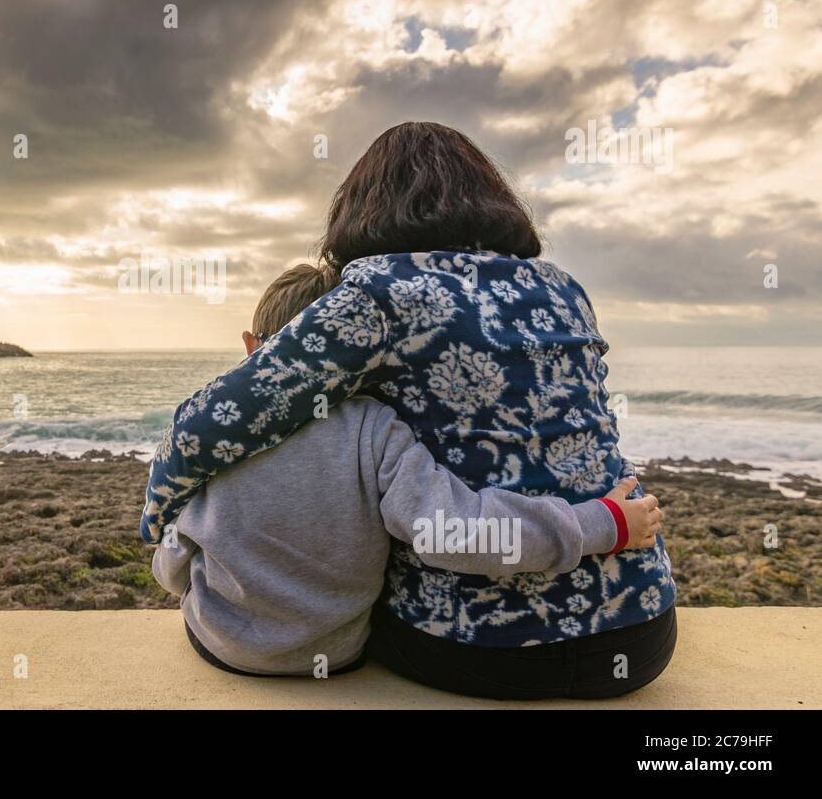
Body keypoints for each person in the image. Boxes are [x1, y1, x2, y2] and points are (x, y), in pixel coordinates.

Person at [142, 121, 676, 697]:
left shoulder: (374, 292)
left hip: (481, 649)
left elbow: (212, 425)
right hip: (642, 631)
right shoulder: (564, 287)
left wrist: (161, 516)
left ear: (361, 208)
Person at [151, 261, 660, 678]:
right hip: (336, 654)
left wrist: (177, 574)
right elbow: (460, 532)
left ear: (251, 348)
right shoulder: (372, 430)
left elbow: (176, 555)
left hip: (225, 647)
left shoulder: (216, 431)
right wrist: (603, 523)